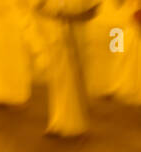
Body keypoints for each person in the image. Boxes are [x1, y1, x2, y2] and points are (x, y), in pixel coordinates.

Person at [32, 0, 96, 138]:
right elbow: (37, 7)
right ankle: (57, 122)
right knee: (58, 78)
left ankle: (76, 125)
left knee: (74, 78)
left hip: (78, 34)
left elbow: (93, 11)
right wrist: (54, 15)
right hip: (55, 35)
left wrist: (71, 18)